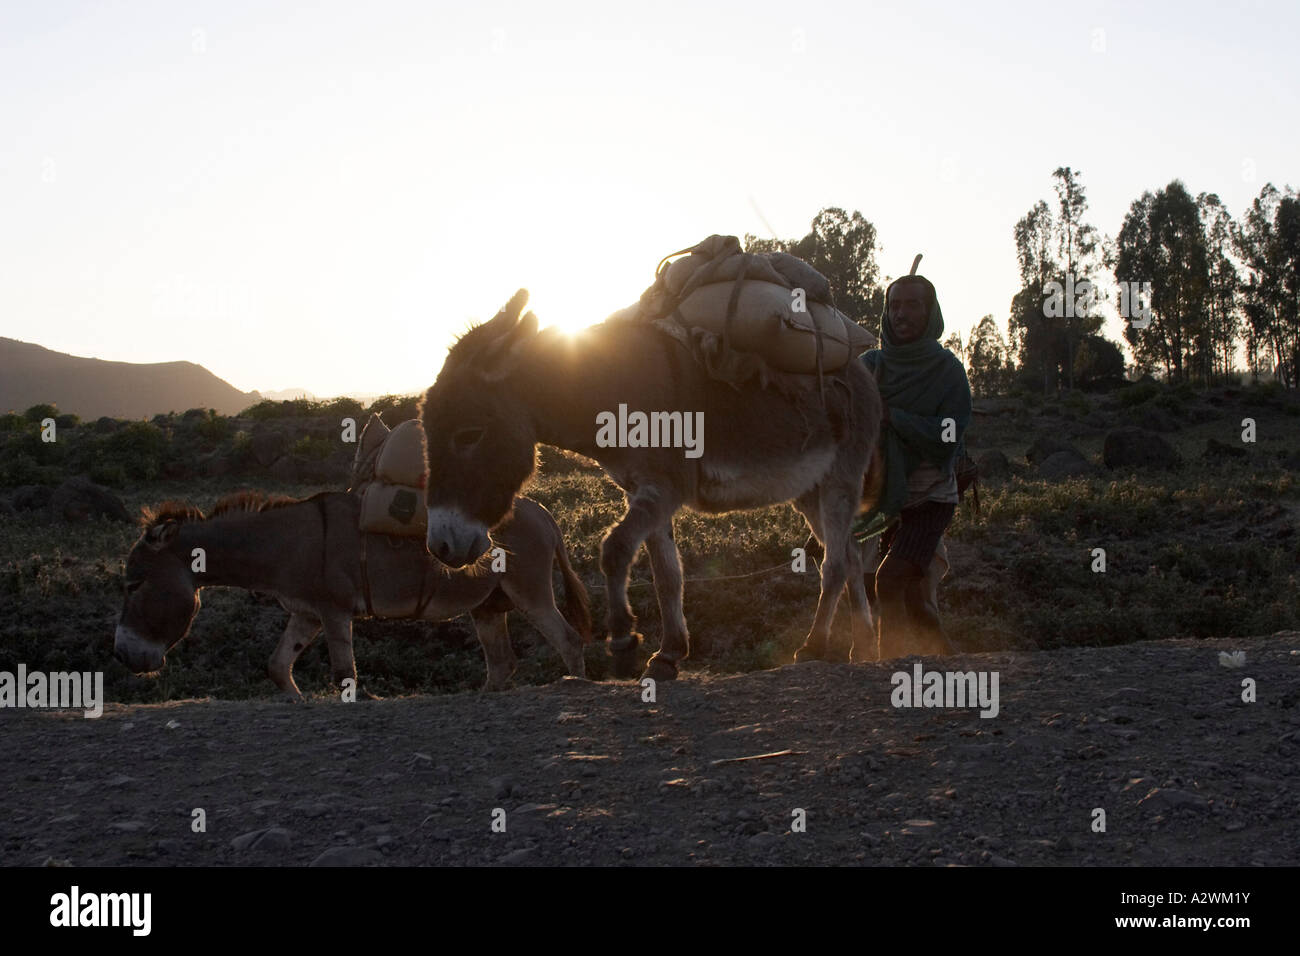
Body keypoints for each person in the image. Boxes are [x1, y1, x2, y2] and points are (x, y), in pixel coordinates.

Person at [853, 272, 971, 658]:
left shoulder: (948, 371)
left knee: (889, 581)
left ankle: (891, 665)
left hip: (930, 497)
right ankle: (950, 661)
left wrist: (895, 418)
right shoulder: (869, 366)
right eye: (894, 305)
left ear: (930, 311)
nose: (901, 313)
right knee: (914, 595)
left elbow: (951, 433)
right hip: (885, 497)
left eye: (912, 304)